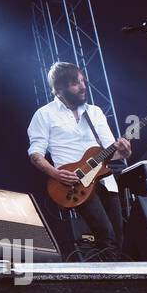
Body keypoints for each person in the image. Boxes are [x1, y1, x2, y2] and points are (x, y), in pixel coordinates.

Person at [27, 61, 131, 260]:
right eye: (75, 83)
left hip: (104, 179)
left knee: (118, 237)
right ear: (59, 89)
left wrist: (124, 152)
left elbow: (111, 150)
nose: (83, 86)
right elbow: (35, 154)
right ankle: (116, 285)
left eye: (83, 81)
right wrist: (55, 173)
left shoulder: (95, 112)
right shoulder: (44, 115)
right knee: (106, 235)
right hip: (74, 183)